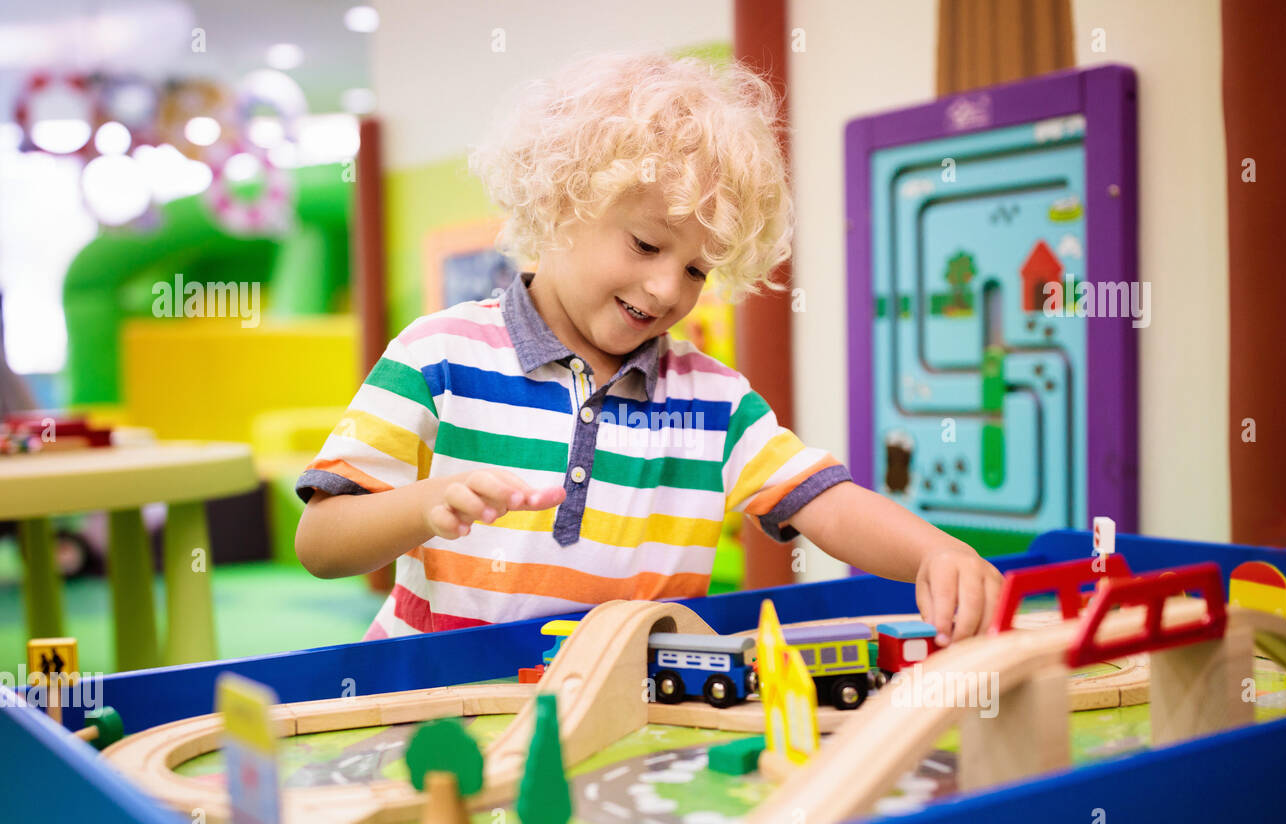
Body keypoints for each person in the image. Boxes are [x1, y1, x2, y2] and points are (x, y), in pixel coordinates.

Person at [295, 50, 1002, 644]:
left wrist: (934, 551)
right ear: (560, 205)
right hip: (439, 708)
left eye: (697, 269)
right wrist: (423, 503)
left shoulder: (715, 404)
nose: (667, 289)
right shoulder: (438, 353)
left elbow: (828, 502)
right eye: (646, 244)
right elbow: (321, 544)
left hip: (630, 711)